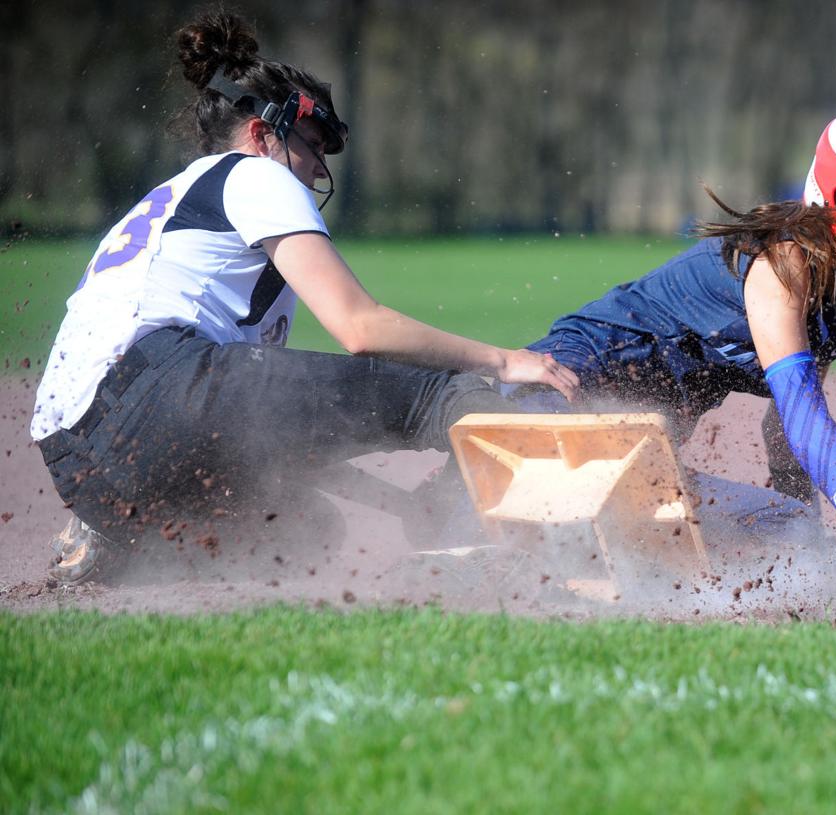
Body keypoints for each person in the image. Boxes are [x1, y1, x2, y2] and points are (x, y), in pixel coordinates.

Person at [30, 11, 578, 586]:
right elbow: (359, 328)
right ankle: (512, 546)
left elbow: (265, 428)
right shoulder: (254, 174)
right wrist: (503, 360)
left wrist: (401, 506)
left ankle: (121, 554)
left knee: (307, 529)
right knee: (448, 392)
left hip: (84, 466)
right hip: (160, 394)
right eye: (313, 146)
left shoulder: (176, 204)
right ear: (263, 134)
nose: (318, 168)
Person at [511, 105, 836, 586]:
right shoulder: (786, 262)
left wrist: (809, 542)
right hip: (559, 391)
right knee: (552, 511)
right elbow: (807, 425)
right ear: (831, 198)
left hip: (628, 441)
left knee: (785, 533)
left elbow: (785, 432)